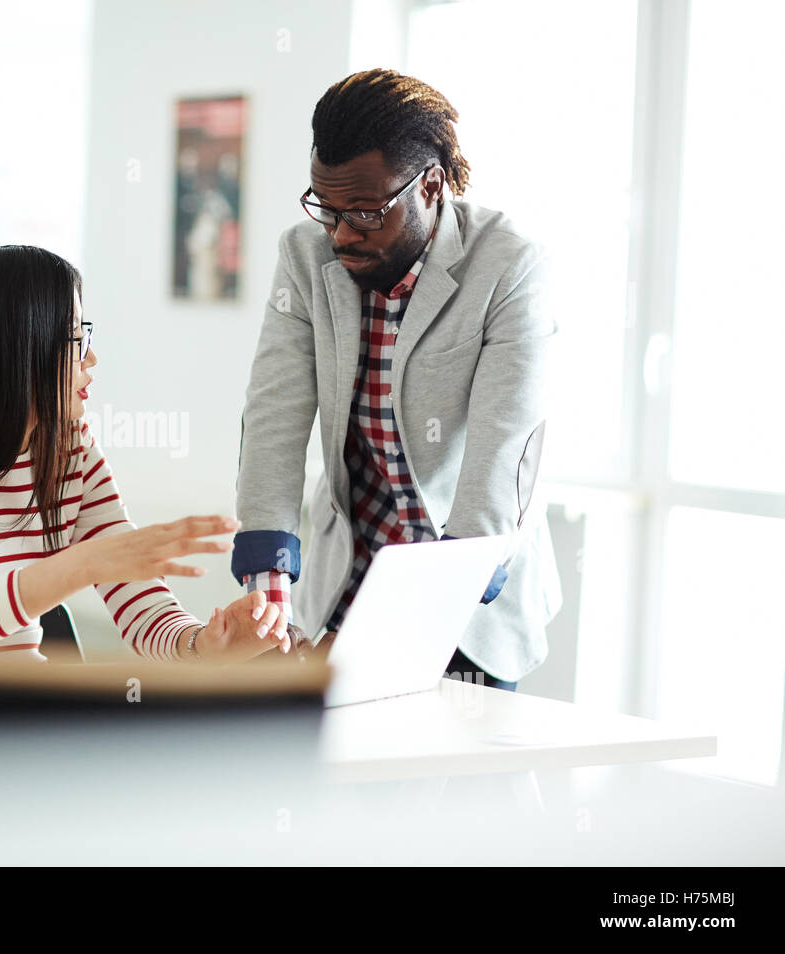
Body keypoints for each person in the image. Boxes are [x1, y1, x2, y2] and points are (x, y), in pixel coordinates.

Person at [232, 68, 562, 690]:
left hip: (467, 605)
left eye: (364, 212)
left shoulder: (509, 264)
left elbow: (506, 442)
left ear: (431, 185)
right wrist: (268, 590)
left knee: (465, 782)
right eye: (324, 208)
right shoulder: (304, 255)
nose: (340, 234)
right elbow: (274, 410)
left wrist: (448, 587)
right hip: (347, 580)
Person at [0, 244, 291, 662]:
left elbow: (144, 611)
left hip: (23, 728)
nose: (91, 360)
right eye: (77, 340)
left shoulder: (69, 450)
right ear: (17, 348)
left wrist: (204, 644)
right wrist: (78, 565)